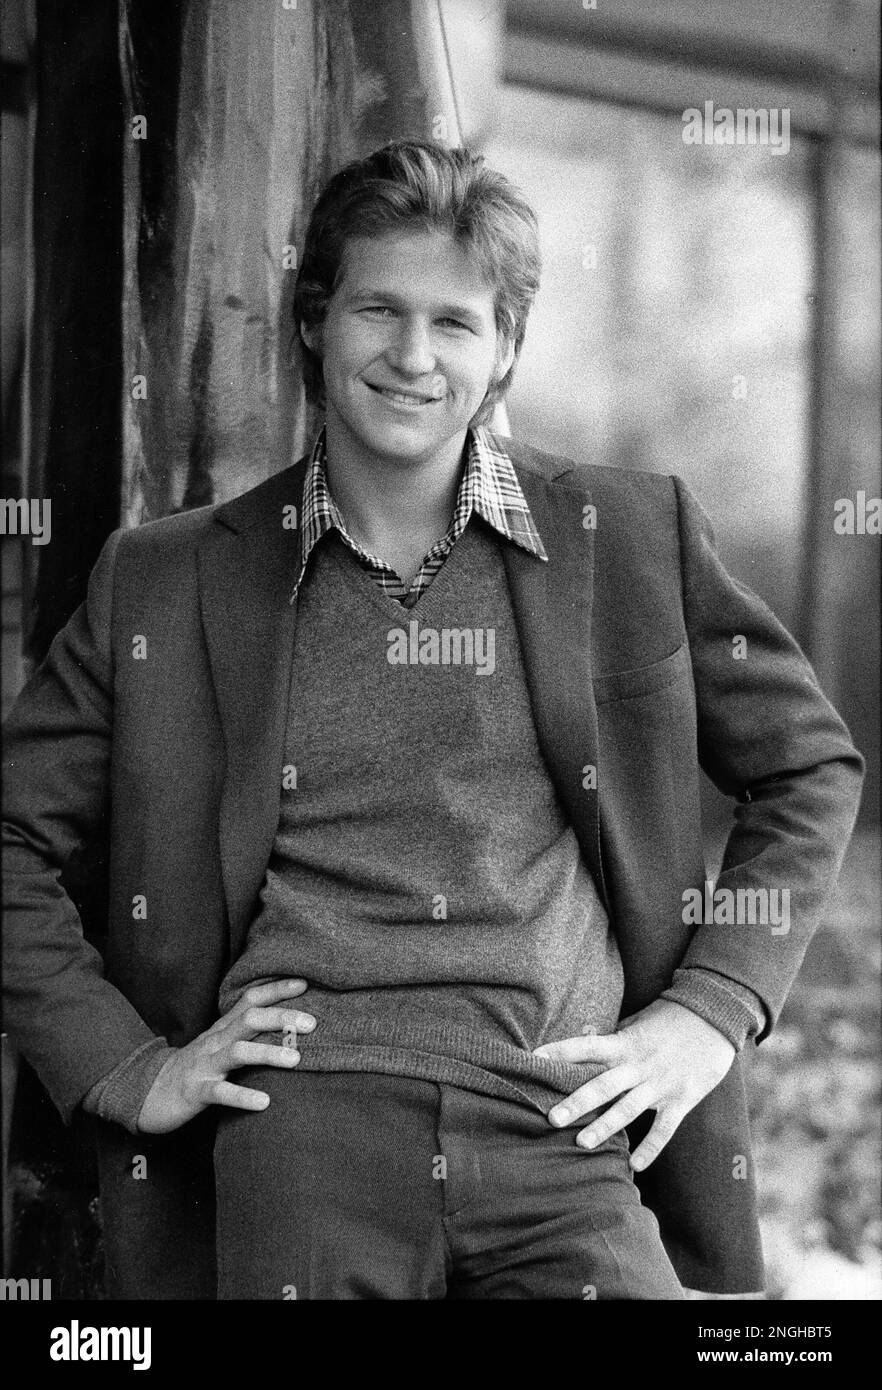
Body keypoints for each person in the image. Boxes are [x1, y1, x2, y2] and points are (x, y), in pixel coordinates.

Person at [2, 139, 864, 1300]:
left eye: (456, 323)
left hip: (564, 1119)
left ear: (504, 348)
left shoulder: (632, 536)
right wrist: (124, 1065)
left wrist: (708, 1015)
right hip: (300, 1134)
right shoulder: (162, 581)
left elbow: (809, 765)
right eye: (378, 310)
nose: (413, 356)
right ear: (316, 322)